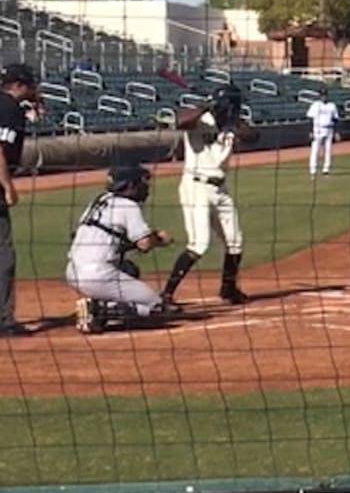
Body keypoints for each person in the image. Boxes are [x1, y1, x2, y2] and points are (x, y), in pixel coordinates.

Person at [161, 86, 258, 307]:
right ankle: (166, 294)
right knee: (199, 244)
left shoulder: (233, 124)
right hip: (196, 186)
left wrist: (232, 122)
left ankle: (228, 288)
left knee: (235, 242)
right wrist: (207, 106)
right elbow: (180, 121)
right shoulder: (199, 118)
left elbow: (253, 136)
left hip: (220, 189)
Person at [68, 165, 177, 334]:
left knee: (129, 269)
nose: (146, 187)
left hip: (73, 271)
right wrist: (159, 238)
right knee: (157, 308)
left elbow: (78, 235)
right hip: (98, 275)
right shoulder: (128, 206)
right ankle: (100, 310)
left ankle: (102, 304)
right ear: (130, 185)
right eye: (142, 183)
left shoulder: (99, 200)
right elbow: (145, 244)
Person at [0, 63, 38, 336]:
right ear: (19, 85)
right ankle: (4, 320)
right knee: (4, 254)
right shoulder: (10, 108)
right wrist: (7, 185)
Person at [306, 88, 340, 178]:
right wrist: (310, 131)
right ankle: (313, 171)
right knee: (315, 150)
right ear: (319, 96)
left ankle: (326, 170)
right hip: (318, 129)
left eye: (325, 95)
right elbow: (310, 118)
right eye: (322, 95)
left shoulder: (332, 105)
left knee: (328, 150)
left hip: (329, 129)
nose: (323, 97)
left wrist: (336, 132)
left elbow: (335, 119)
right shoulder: (315, 105)